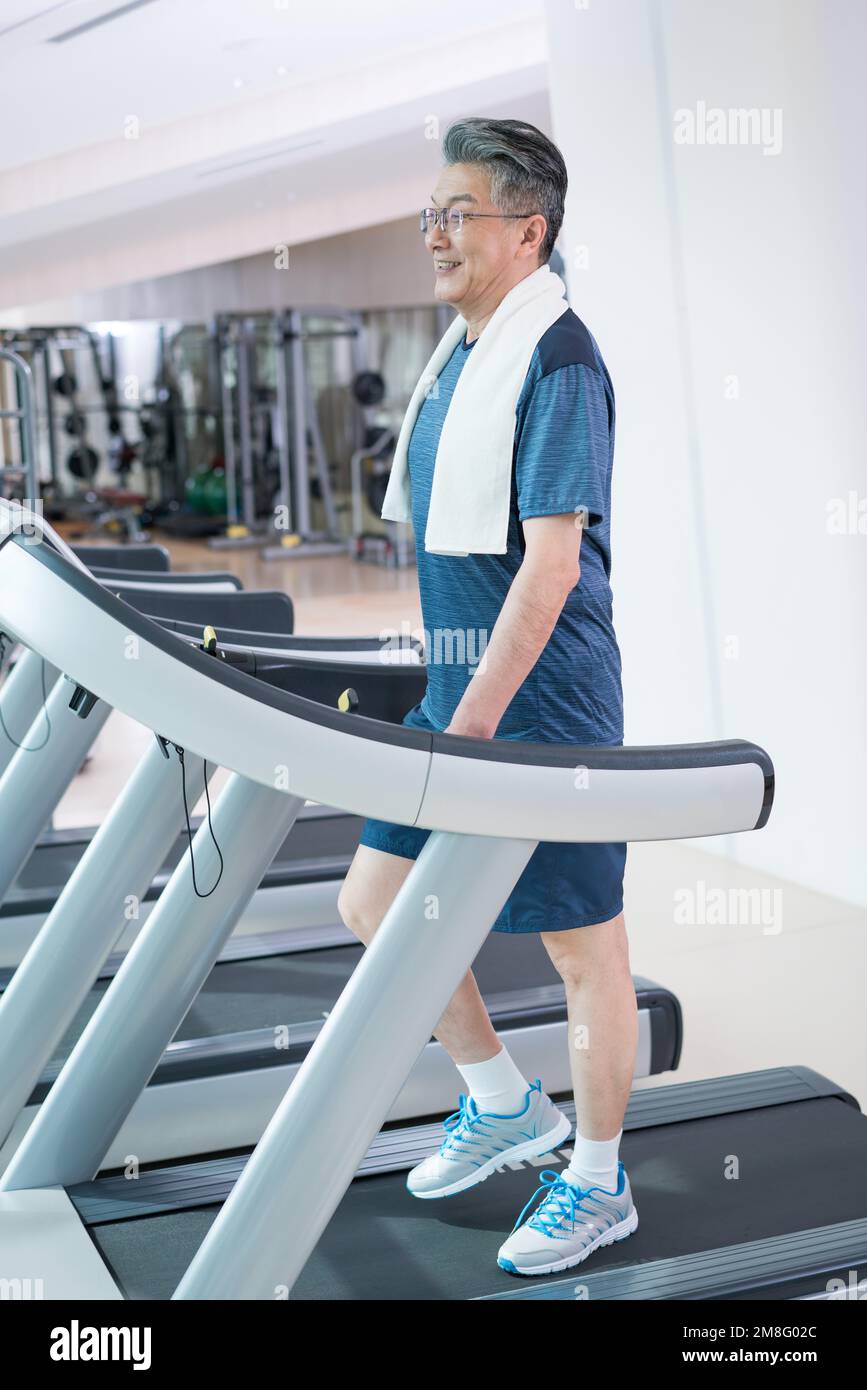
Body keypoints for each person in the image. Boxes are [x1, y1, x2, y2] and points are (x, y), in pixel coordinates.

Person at [338, 117, 637, 1277]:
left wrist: (471, 731)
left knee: (582, 951)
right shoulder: (460, 355)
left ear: (529, 231)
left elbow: (552, 565)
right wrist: (446, 704)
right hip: (458, 695)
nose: (435, 234)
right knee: (376, 900)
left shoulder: (557, 358)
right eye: (431, 214)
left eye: (456, 214)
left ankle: (601, 1180)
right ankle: (504, 1101)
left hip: (543, 711)